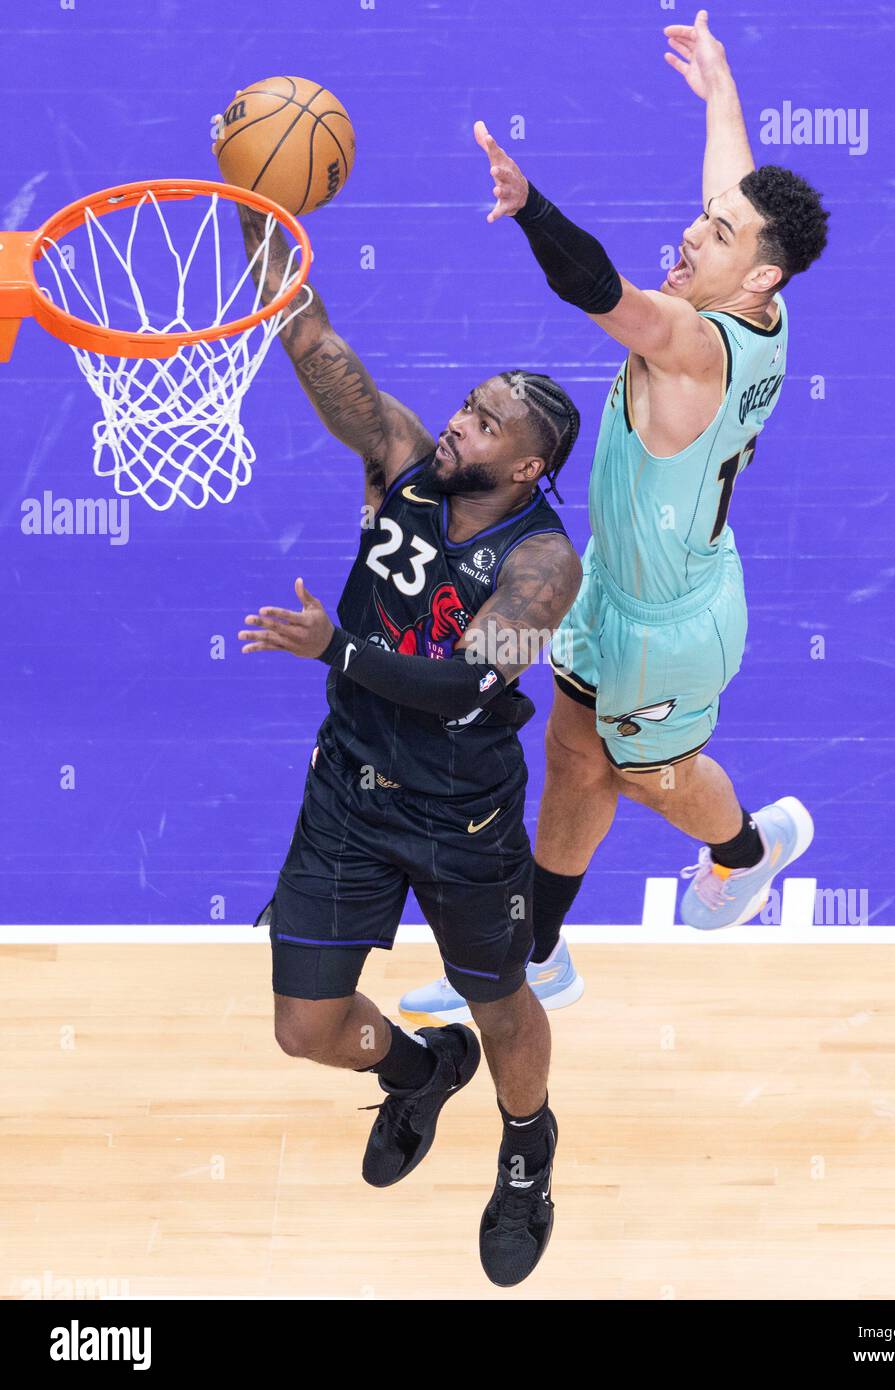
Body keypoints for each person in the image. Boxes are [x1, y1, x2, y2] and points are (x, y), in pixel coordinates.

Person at [401, 10, 830, 1027]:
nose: (694, 234)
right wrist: (721, 86)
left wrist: (530, 202)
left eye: (716, 237)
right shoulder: (761, 296)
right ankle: (534, 957)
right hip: (631, 586)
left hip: (669, 627)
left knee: (648, 774)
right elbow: (735, 188)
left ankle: (746, 849)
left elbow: (595, 287)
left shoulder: (691, 345)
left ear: (756, 274)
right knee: (573, 752)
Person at [233, 200, 584, 1287]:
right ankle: (423, 1067)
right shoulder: (401, 464)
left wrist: (335, 652)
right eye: (467, 405)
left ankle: (527, 1149)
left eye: (485, 422)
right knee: (304, 1028)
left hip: (462, 814)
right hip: (350, 787)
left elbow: (464, 685)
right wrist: (255, 214)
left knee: (504, 998)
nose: (458, 423)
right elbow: (311, 338)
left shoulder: (544, 567)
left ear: (526, 468)